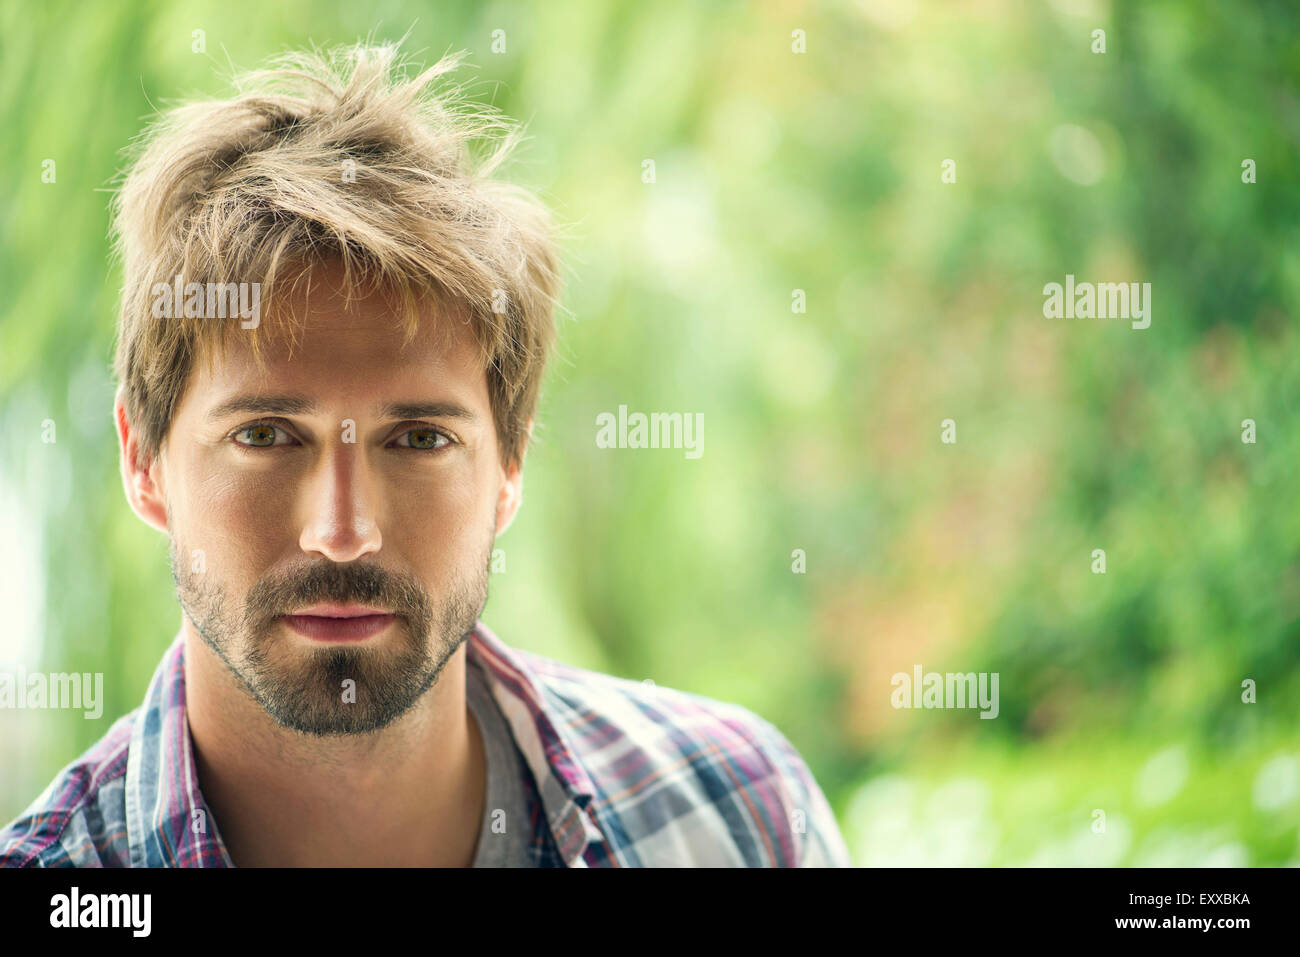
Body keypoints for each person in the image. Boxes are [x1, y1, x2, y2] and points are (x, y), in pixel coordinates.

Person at [0, 42, 851, 868]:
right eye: (264, 435)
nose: (344, 531)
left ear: (509, 467)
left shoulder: (741, 819)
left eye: (419, 439)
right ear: (143, 460)